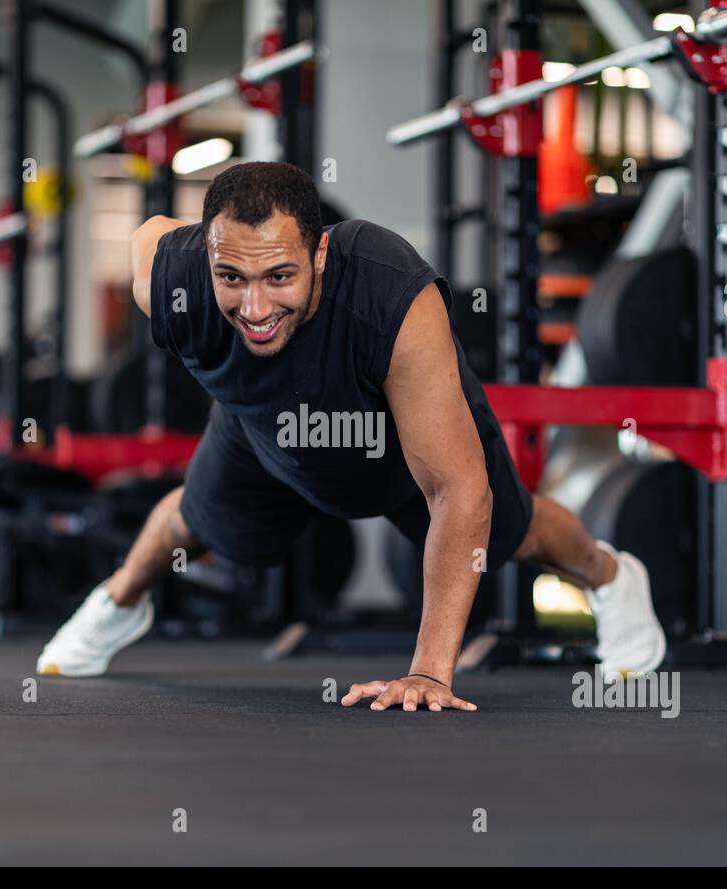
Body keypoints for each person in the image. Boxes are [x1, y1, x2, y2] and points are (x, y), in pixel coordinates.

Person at [37, 161, 665, 711]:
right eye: (233, 279)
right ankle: (117, 605)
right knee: (191, 522)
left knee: (513, 531)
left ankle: (611, 578)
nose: (254, 308)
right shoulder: (176, 284)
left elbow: (456, 489)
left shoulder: (390, 293)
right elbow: (148, 237)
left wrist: (427, 672)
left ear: (320, 254)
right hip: (264, 434)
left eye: (279, 277)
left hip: (395, 445)